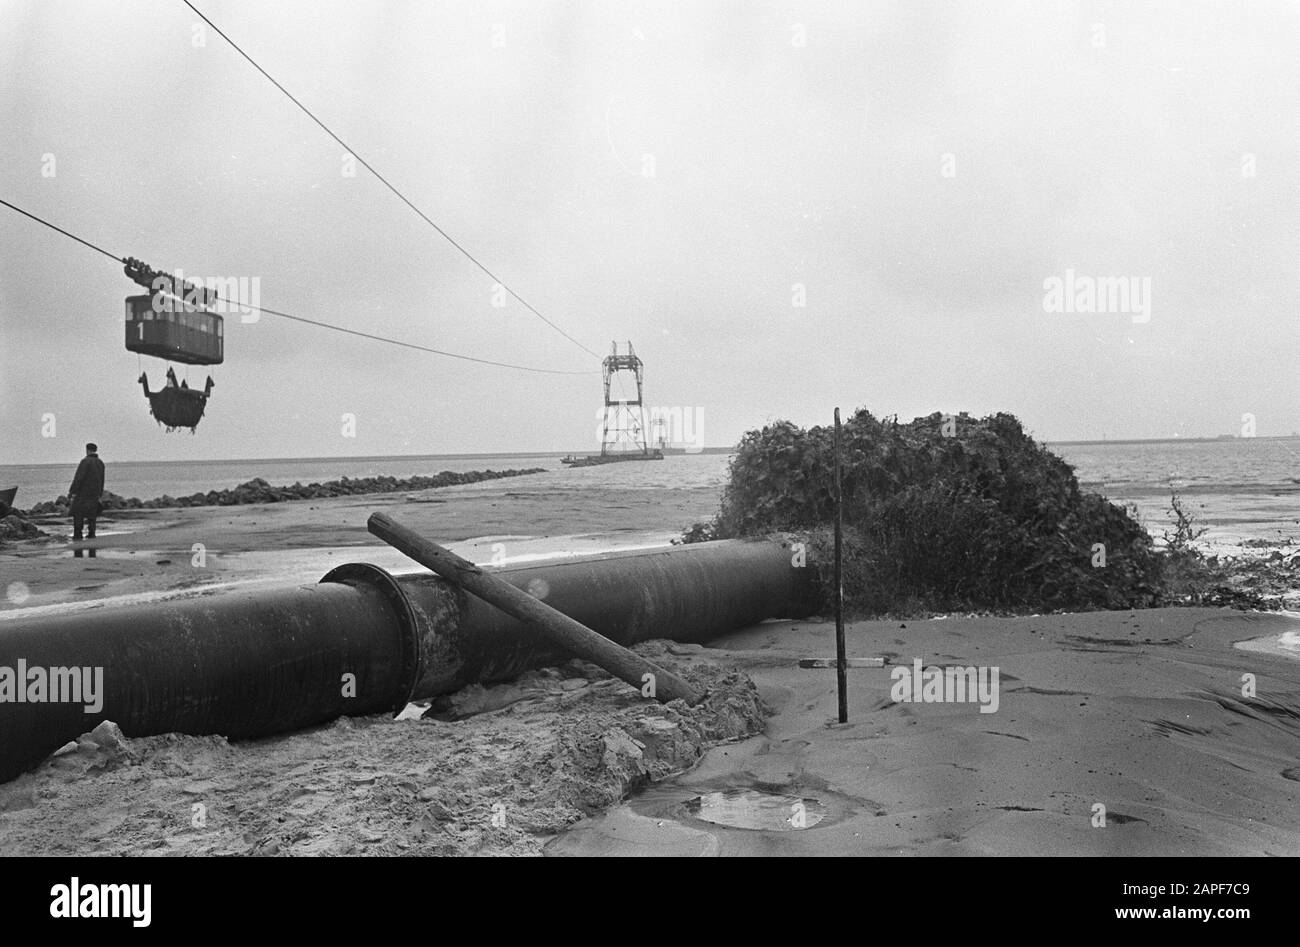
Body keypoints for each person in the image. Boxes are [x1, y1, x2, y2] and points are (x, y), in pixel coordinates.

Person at [69, 443, 106, 542]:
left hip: (83, 493)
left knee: (78, 514)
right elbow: (102, 479)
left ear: (87, 450)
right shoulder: (100, 463)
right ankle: (91, 533)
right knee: (92, 515)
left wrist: (72, 491)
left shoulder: (85, 462)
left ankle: (78, 534)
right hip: (95, 493)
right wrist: (100, 493)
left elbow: (78, 478)